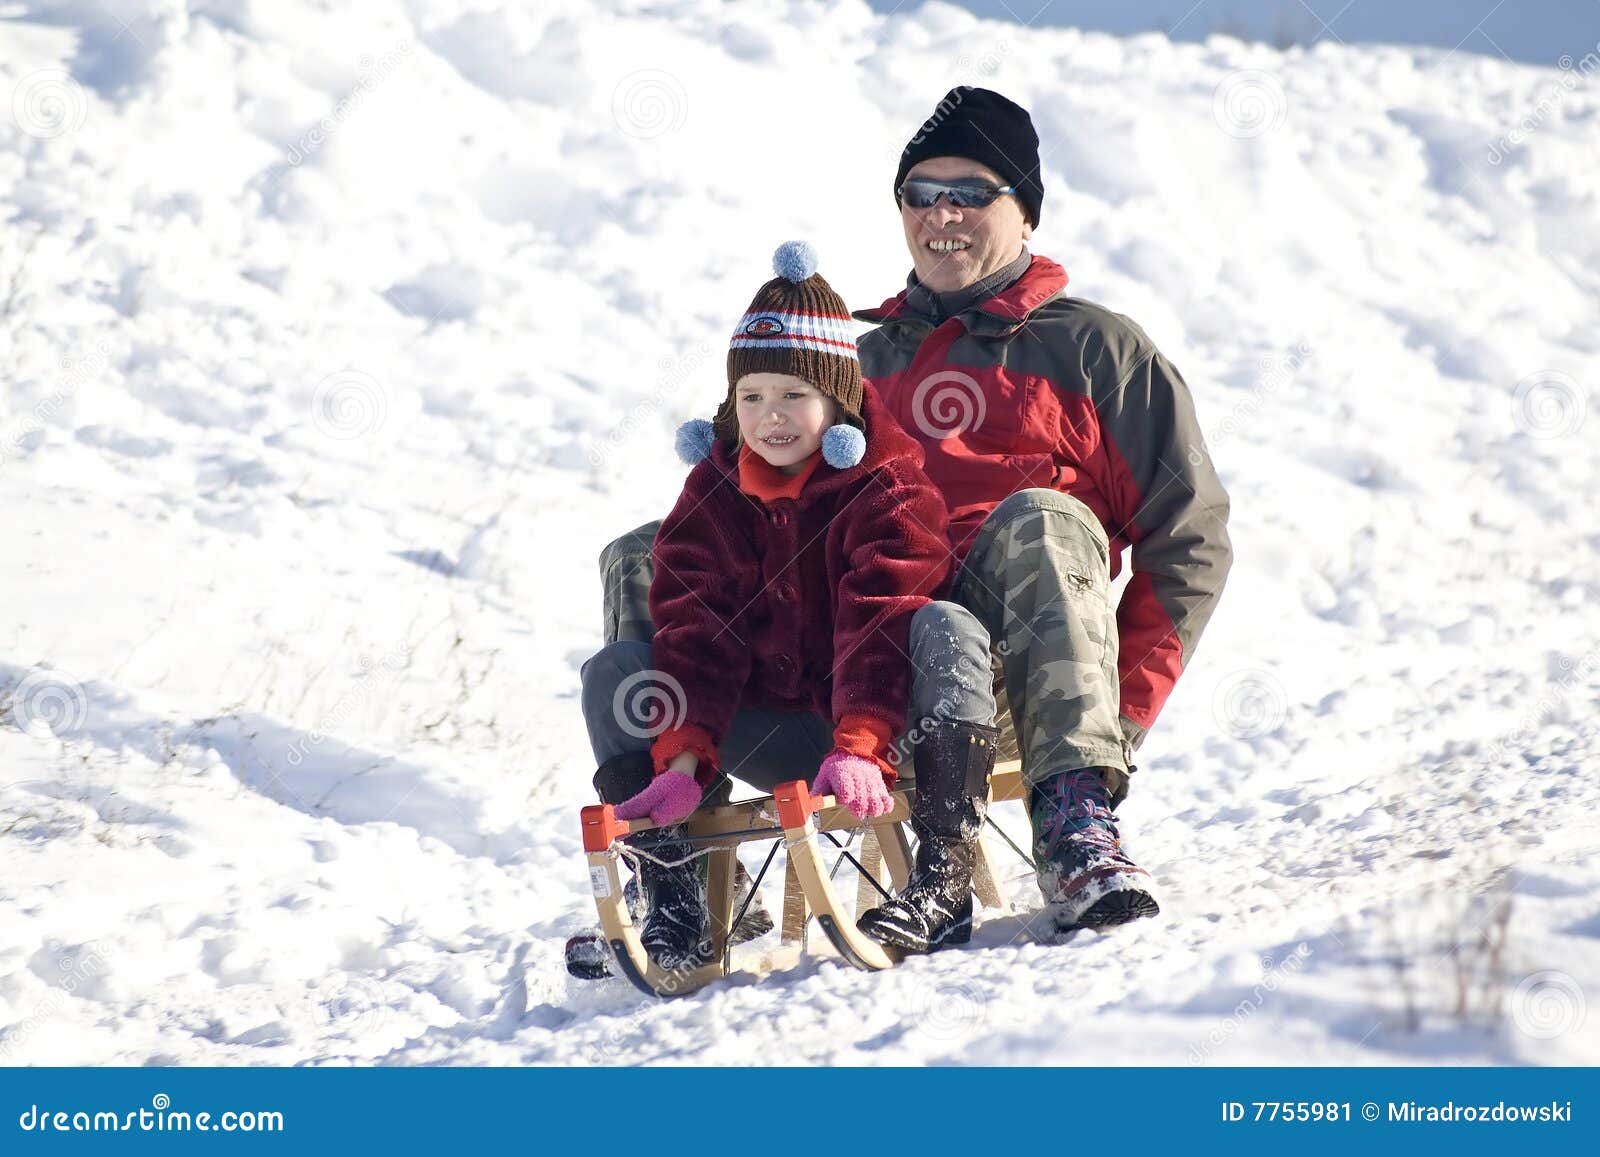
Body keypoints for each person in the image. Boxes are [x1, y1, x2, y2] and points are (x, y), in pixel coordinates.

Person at [596, 87, 1234, 943]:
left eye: (972, 192)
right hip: (841, 666)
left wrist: (1110, 718)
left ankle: (1075, 819)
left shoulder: (1097, 350)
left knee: (1038, 518)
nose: (943, 214)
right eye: (920, 193)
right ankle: (676, 856)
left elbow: (1188, 538)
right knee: (651, 551)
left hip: (1005, 684)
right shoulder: (845, 360)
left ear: (1026, 211)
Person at [579, 242, 998, 968]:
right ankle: (675, 891)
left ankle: (944, 875)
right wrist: (680, 760)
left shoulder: (889, 486)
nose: (771, 417)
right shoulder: (712, 493)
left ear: (836, 400)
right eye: (753, 398)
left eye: (793, 396)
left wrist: (862, 740)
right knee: (617, 670)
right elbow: (695, 631)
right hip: (771, 728)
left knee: (943, 625)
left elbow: (882, 612)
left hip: (882, 729)